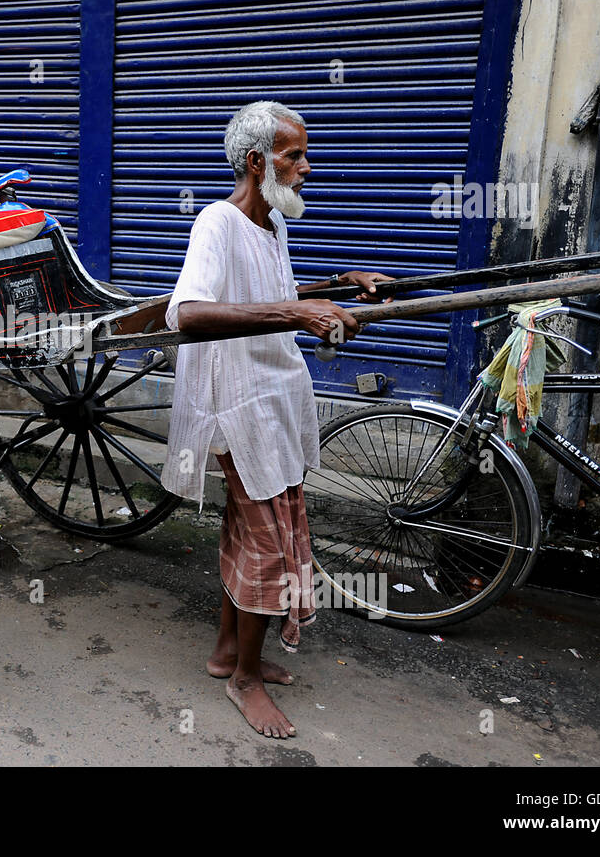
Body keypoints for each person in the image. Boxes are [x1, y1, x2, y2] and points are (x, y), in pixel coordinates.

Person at [163, 101, 393, 740]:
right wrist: (298, 315)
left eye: (304, 155)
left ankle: (224, 653)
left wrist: (345, 284)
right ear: (258, 162)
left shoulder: (271, 228)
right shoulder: (218, 221)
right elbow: (188, 313)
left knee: (251, 527)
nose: (306, 168)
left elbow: (273, 292)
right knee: (269, 545)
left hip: (275, 400)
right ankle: (245, 681)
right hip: (237, 404)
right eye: (294, 156)